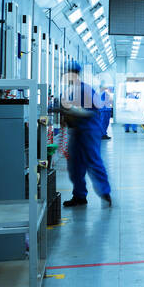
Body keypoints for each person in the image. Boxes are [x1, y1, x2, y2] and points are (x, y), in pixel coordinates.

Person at [57, 63, 112, 208]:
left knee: (93, 161)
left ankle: (105, 193)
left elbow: (93, 111)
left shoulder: (85, 89)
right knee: (75, 165)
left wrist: (73, 112)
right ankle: (79, 196)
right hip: (77, 132)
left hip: (89, 131)